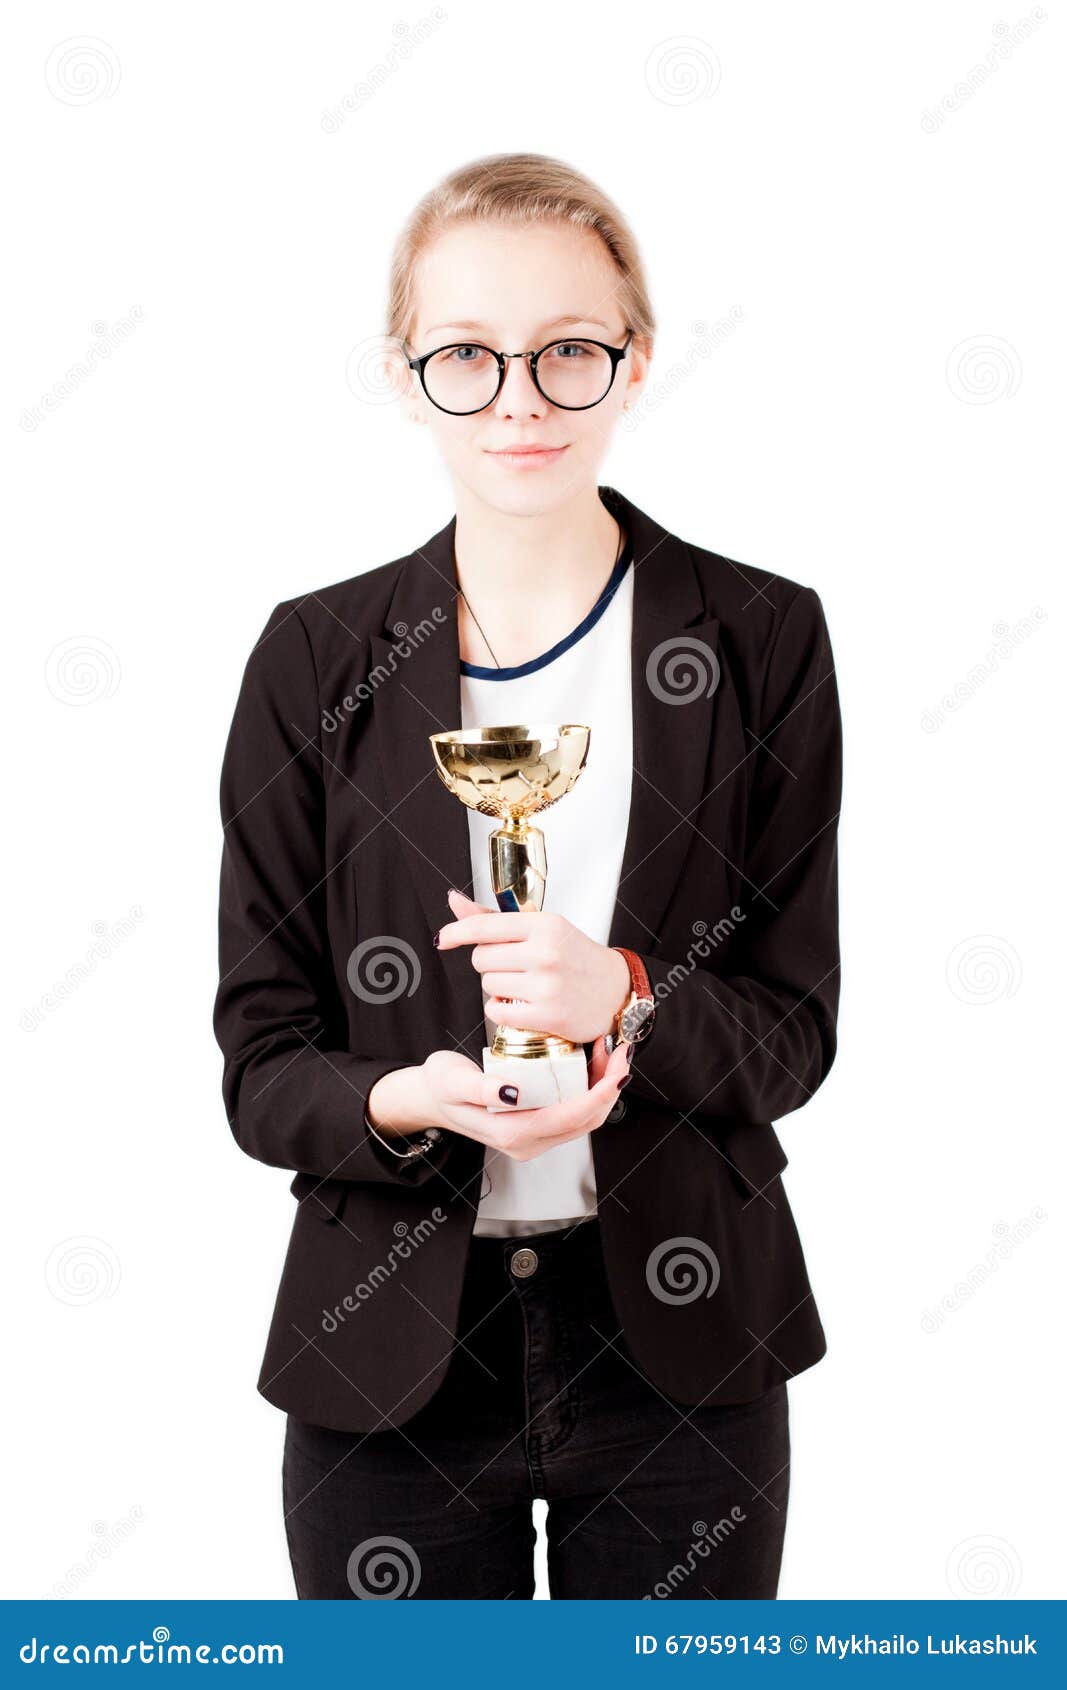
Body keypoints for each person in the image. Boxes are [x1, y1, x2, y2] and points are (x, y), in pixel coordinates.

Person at [213, 152, 842, 1600]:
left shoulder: (762, 639)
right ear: (402, 367)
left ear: (635, 359)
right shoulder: (312, 659)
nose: (518, 397)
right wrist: (411, 1097)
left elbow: (796, 1033)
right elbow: (261, 1064)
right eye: (467, 355)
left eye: (569, 350)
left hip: (685, 1350)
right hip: (388, 1360)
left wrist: (623, 990)